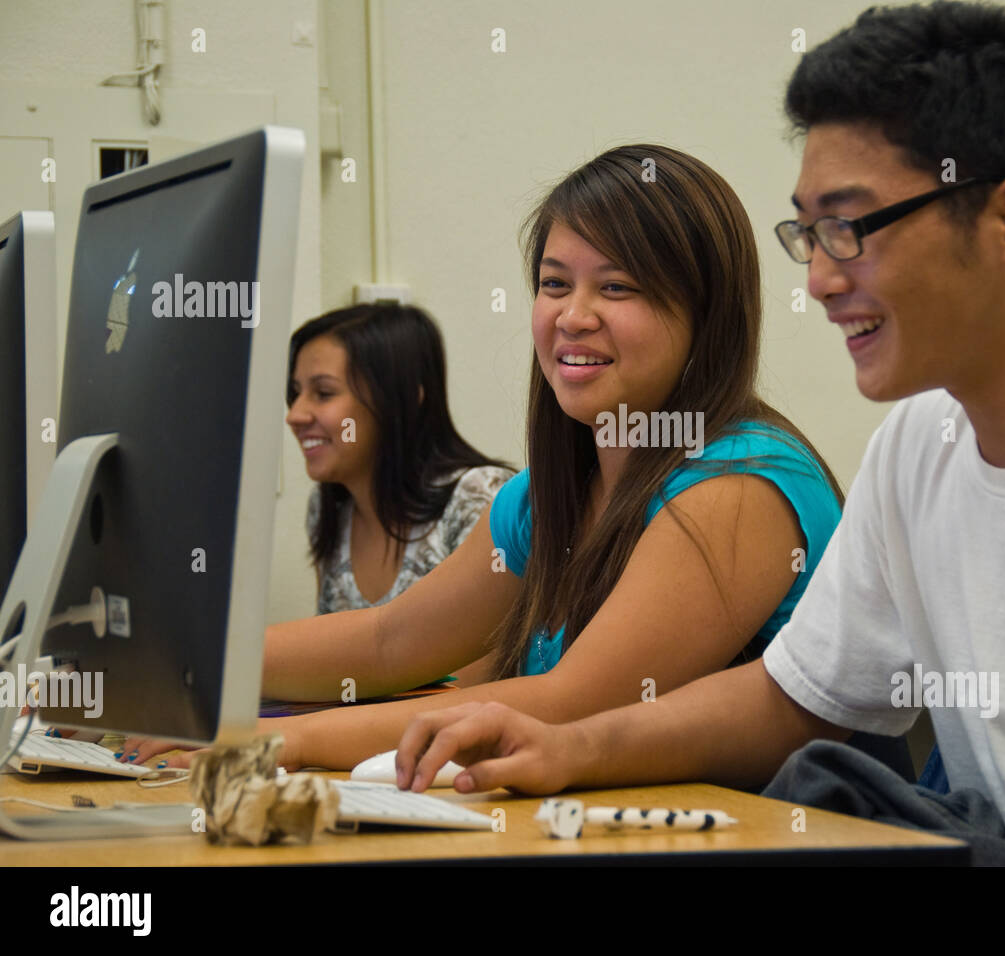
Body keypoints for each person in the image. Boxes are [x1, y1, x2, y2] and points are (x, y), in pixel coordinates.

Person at [391, 1, 1005, 867]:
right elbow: (797, 699)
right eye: (809, 234)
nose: (821, 280)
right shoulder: (919, 446)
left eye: (850, 229)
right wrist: (568, 748)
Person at [123, 144, 843, 772]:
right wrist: (174, 666)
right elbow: (389, 640)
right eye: (555, 283)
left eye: (616, 286)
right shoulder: (545, 497)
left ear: (706, 314)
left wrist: (277, 739)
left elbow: (573, 704)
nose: (572, 314)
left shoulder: (740, 485)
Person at [286, 304, 514, 618]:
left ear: (402, 400)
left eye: (324, 393)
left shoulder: (478, 497)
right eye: (296, 393)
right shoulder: (328, 510)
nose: (294, 415)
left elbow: (489, 661)